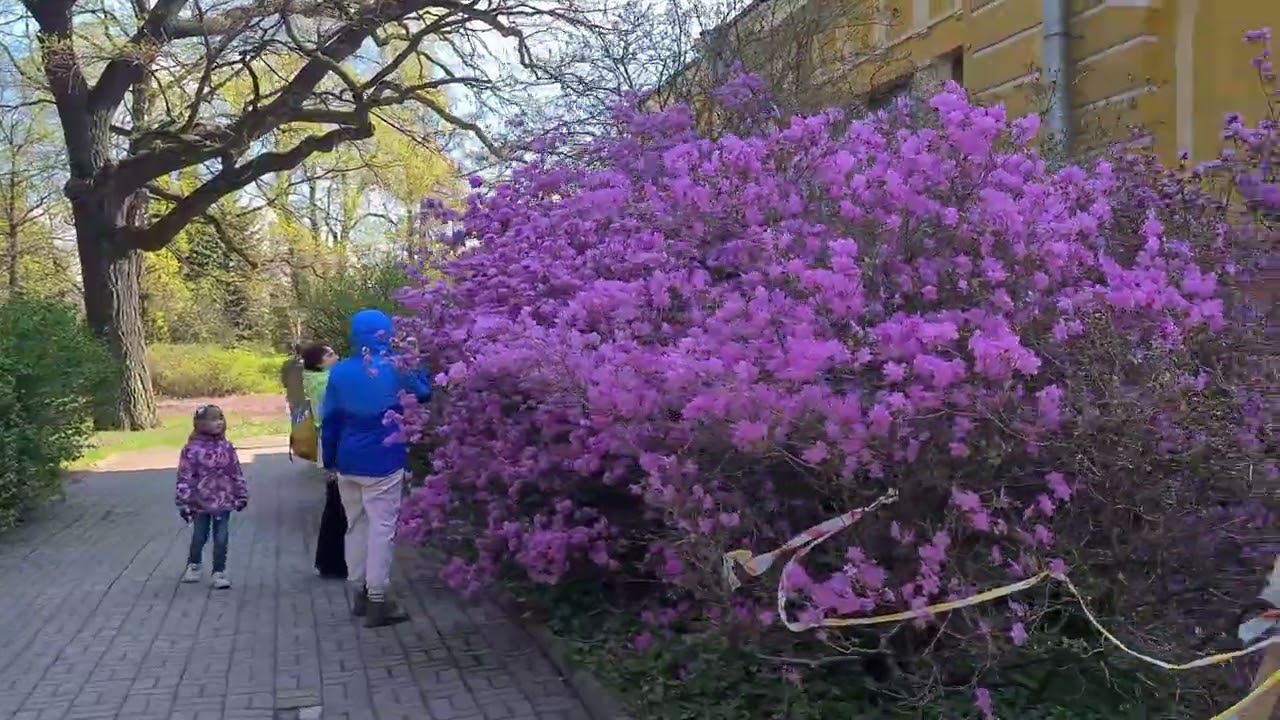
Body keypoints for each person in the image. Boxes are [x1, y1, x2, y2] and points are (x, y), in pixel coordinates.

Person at [321, 309, 430, 627]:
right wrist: (416, 360)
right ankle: (378, 599)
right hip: (384, 458)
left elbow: (330, 422)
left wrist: (329, 460)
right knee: (382, 528)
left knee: (355, 525)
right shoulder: (395, 367)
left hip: (348, 460)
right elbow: (423, 393)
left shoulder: (339, 373)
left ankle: (359, 592)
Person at [176, 405, 248, 589]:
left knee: (221, 537)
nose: (218, 423)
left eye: (220, 419)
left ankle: (219, 571)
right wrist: (184, 500)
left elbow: (235, 472)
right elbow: (185, 476)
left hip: (223, 500)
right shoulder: (192, 449)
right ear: (200, 424)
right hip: (200, 502)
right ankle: (194, 564)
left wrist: (240, 493)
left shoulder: (227, 447)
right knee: (200, 535)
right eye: (213, 420)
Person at [301, 342, 346, 579]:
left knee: (335, 504)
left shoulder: (314, 379)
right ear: (319, 363)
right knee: (338, 506)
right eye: (330, 354)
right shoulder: (325, 382)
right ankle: (333, 562)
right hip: (333, 445)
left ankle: (330, 561)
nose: (336, 356)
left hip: (327, 445)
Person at [281, 341, 306, 423]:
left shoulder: (286, 364)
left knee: (295, 417)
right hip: (306, 395)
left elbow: (284, 382)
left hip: (292, 394)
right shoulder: (307, 364)